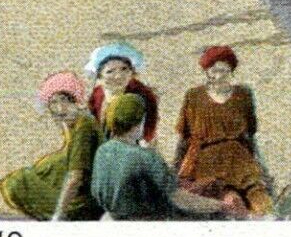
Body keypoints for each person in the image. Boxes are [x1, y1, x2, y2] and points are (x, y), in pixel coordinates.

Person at [175, 46, 291, 218]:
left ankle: (269, 212)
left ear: (231, 71)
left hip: (237, 153)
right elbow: (184, 136)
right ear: (207, 71)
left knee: (254, 186)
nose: (218, 76)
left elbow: (250, 134)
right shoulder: (193, 96)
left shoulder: (243, 94)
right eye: (214, 71)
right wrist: (178, 166)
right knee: (221, 190)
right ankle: (256, 217)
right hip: (205, 156)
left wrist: (260, 164)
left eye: (224, 71)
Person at [89, 93, 227, 220]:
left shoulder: (102, 150)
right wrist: (220, 206)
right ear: (140, 122)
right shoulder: (146, 156)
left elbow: (97, 192)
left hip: (112, 216)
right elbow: (180, 199)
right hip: (147, 221)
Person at [0, 71, 104, 221]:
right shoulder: (77, 125)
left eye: (64, 100)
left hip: (84, 205)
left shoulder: (83, 126)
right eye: (54, 103)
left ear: (75, 101)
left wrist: (58, 214)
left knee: (17, 182)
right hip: (86, 198)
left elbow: (76, 177)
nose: (60, 108)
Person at [85, 42, 159, 146]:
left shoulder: (143, 94)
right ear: (99, 76)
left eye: (124, 69)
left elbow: (150, 128)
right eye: (110, 71)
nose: (118, 76)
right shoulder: (97, 94)